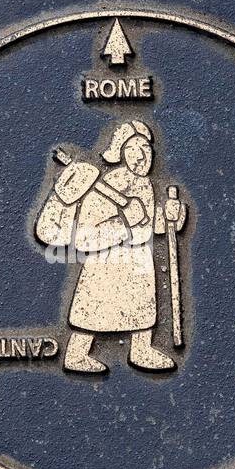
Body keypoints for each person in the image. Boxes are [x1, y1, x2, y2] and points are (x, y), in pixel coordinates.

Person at [60, 120, 185, 373]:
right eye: (134, 149)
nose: (142, 156)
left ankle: (141, 349)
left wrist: (172, 216)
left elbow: (154, 228)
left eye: (146, 148)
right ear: (120, 152)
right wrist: (123, 224)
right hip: (106, 262)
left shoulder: (146, 185)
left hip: (139, 260)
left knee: (141, 308)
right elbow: (84, 238)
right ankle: (76, 354)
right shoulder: (103, 186)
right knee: (95, 310)